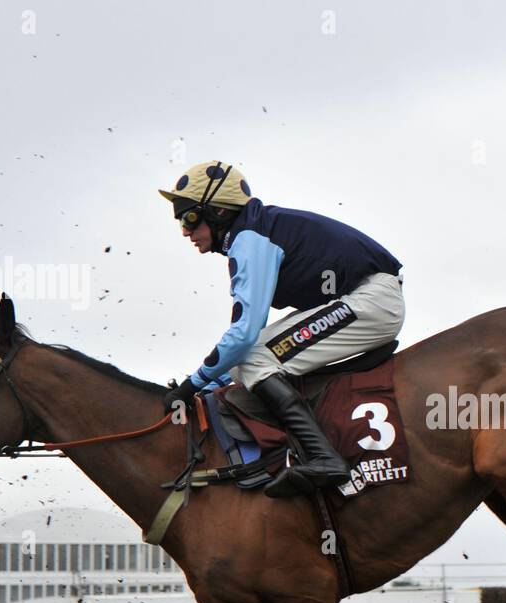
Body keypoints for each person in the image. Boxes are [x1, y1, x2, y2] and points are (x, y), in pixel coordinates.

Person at [158, 160, 405, 497]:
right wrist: (212, 380)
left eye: (187, 216)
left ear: (216, 211)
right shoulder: (252, 232)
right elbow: (244, 339)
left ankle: (324, 458)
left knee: (255, 357)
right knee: (251, 356)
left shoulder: (250, 240)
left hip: (372, 301)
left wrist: (191, 386)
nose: (185, 230)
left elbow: (243, 335)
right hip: (363, 297)